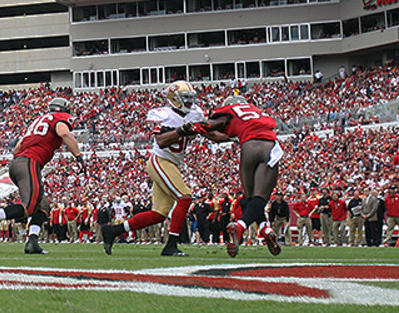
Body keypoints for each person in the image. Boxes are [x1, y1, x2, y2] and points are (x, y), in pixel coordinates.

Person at [102, 81, 203, 257]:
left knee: (158, 214)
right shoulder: (165, 115)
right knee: (185, 197)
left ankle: (113, 231)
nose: (190, 103)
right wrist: (183, 130)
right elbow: (162, 141)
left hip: (172, 164)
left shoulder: (196, 114)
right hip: (160, 160)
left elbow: (207, 129)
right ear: (175, 99)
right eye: (185, 99)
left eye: (190, 99)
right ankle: (171, 245)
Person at [0, 96, 85, 254]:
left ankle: (32, 241)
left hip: (19, 163)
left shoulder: (38, 121)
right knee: (29, 207)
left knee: (44, 206)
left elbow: (17, 147)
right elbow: (64, 133)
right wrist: (78, 157)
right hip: (29, 162)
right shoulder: (60, 118)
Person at [180, 94, 282, 257]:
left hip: (248, 149)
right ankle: (259, 227)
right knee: (259, 198)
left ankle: (256, 227)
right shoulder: (256, 111)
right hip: (269, 146)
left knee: (251, 198)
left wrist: (189, 128)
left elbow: (211, 127)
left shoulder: (229, 111)